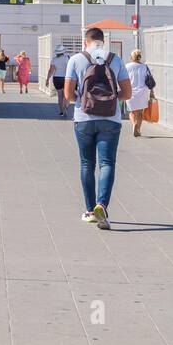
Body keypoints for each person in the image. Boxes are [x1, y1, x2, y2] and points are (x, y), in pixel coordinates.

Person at [64, 26, 132, 230]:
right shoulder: (115, 59)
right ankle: (102, 204)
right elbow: (127, 93)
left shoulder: (76, 59)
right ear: (103, 41)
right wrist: (109, 101)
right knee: (107, 163)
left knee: (86, 164)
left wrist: (86, 101)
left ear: (86, 42)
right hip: (111, 119)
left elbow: (68, 95)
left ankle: (90, 211)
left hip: (83, 118)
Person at [127, 49, 153, 138]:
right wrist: (152, 92)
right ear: (139, 57)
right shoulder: (144, 67)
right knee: (140, 112)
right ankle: (138, 130)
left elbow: (123, 79)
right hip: (143, 91)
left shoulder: (127, 66)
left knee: (132, 112)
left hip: (131, 91)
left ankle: (134, 124)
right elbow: (150, 80)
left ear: (131, 57)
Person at [45, 44, 71, 116]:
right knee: (66, 94)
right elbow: (69, 69)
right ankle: (66, 106)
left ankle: (61, 111)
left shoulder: (54, 59)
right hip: (65, 78)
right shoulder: (67, 58)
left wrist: (47, 79)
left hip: (56, 78)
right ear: (63, 52)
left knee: (60, 95)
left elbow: (51, 70)